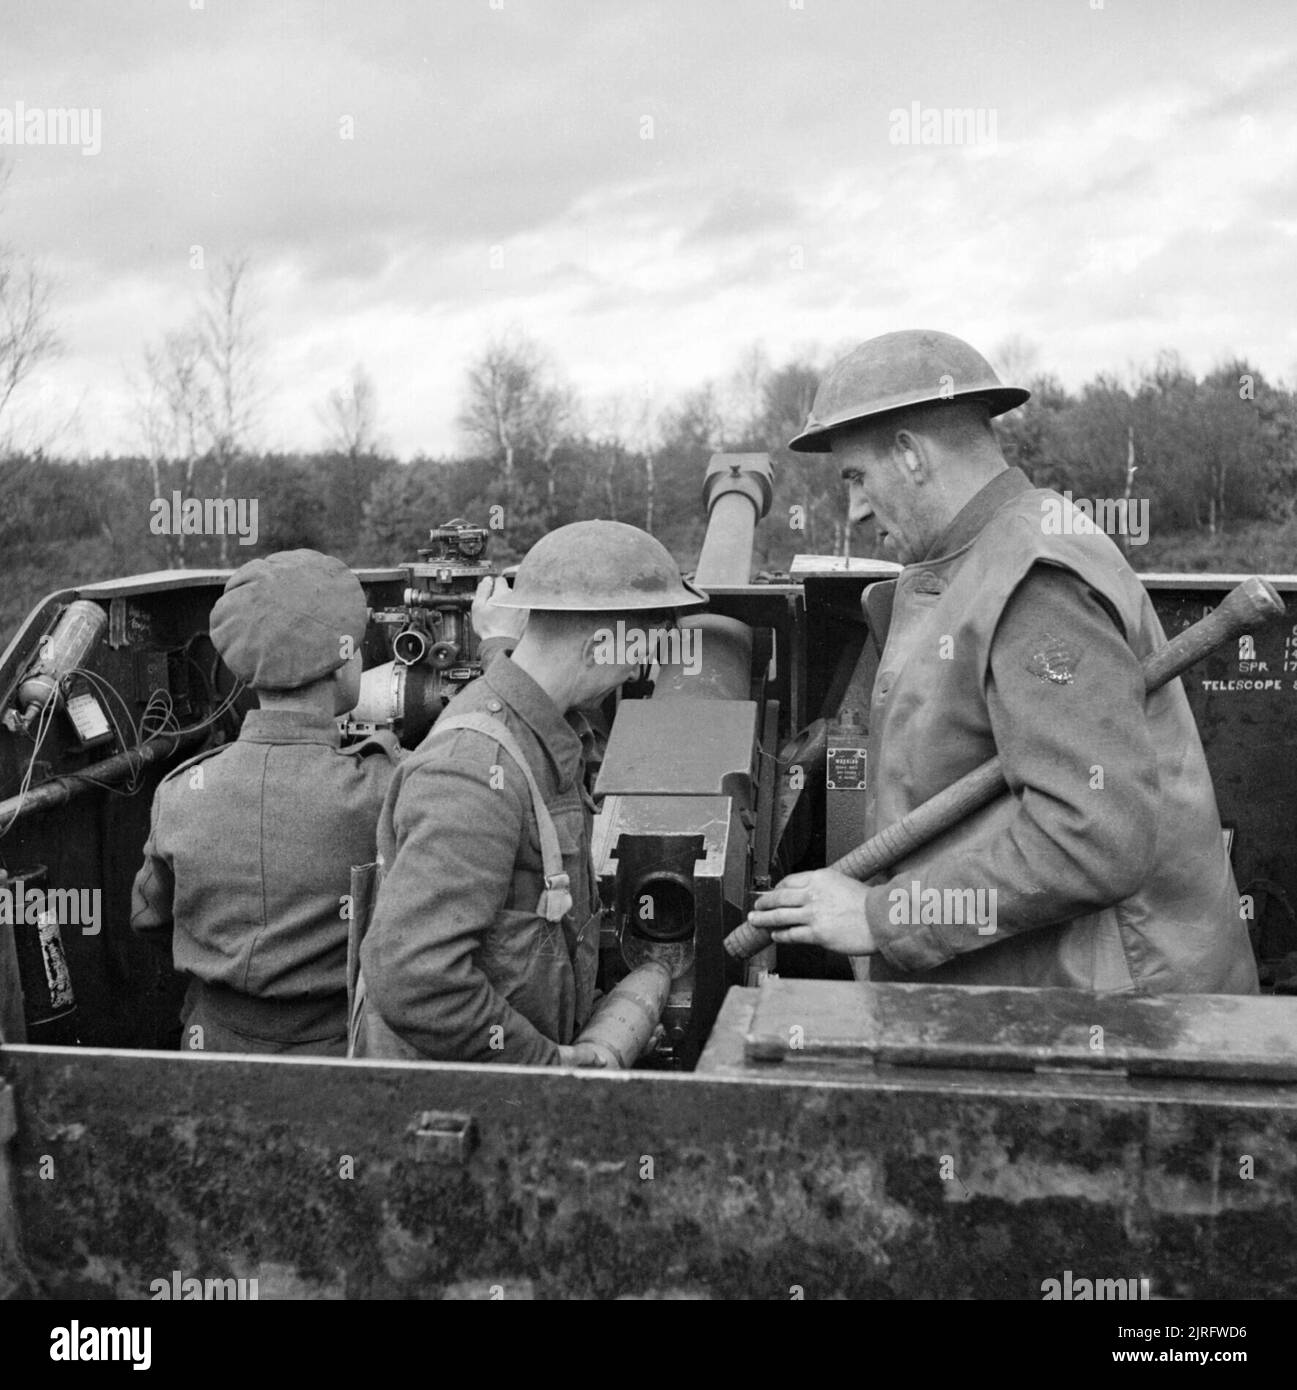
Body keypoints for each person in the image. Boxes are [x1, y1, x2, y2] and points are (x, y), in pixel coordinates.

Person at [748, 329, 1258, 995]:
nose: (854, 509)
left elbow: (1089, 839)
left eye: (855, 477)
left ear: (908, 455)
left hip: (1106, 1026)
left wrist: (884, 916)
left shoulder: (1032, 579)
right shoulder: (980, 561)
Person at [355, 520, 706, 1064]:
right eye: (637, 650)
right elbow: (415, 978)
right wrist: (549, 1065)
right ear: (596, 646)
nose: (638, 667)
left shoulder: (549, 737)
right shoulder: (471, 772)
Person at [130, 549, 402, 1054]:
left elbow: (149, 916)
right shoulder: (386, 785)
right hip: (345, 1051)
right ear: (344, 666)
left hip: (209, 1045)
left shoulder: (182, 790)